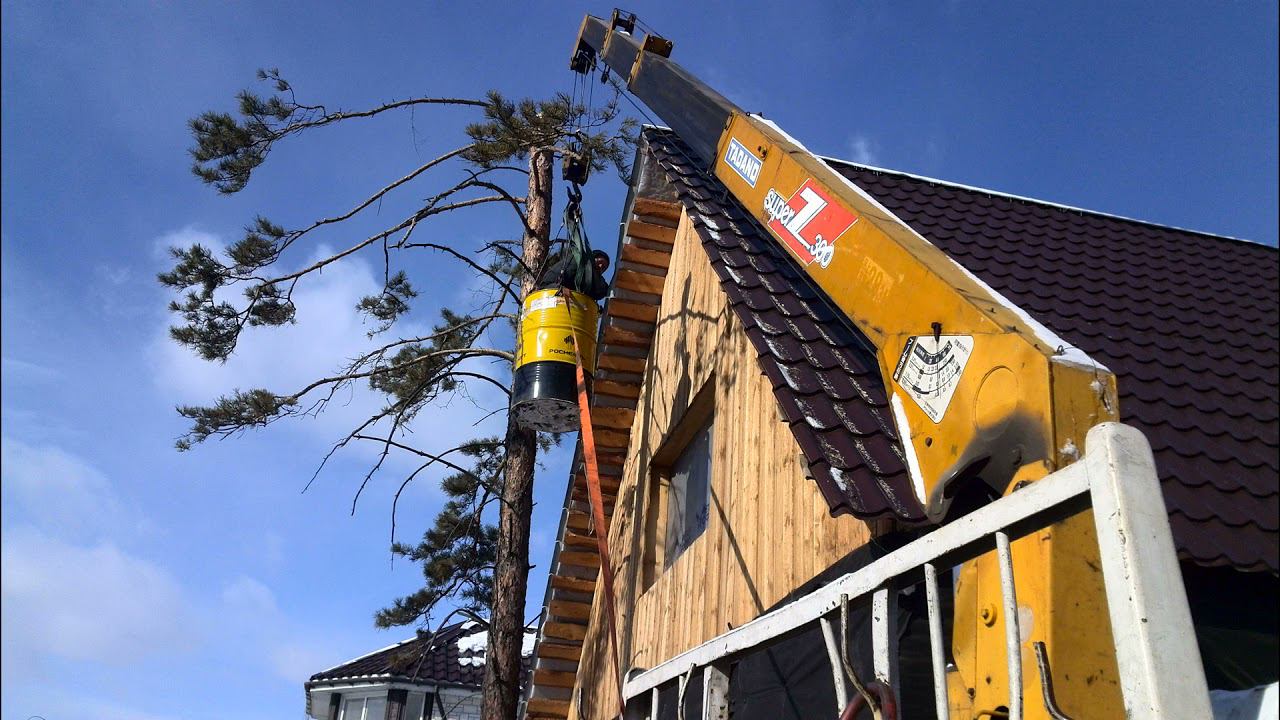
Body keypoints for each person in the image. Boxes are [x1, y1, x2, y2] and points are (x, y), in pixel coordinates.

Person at [537, 247, 611, 300]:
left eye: (604, 267)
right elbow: (548, 282)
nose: (600, 266)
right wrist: (558, 288)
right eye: (600, 262)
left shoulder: (595, 282)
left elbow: (602, 291)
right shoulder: (577, 262)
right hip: (549, 291)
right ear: (592, 258)